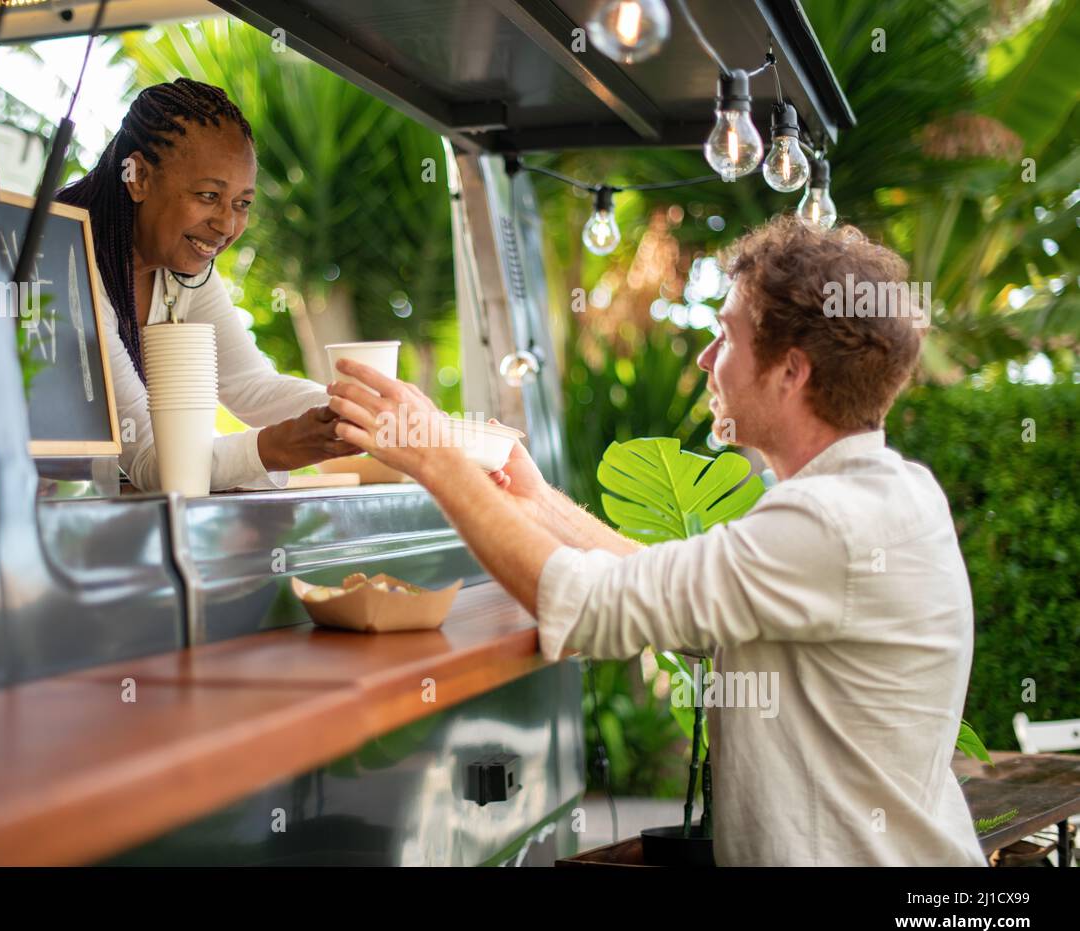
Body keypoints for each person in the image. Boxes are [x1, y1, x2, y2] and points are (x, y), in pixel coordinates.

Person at [326, 215, 986, 866]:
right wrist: (536, 501)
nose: (705, 359)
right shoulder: (886, 492)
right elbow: (676, 593)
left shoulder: (828, 523)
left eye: (725, 338)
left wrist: (435, 459)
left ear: (792, 372)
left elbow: (589, 608)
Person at [57, 78, 356, 490]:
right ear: (139, 177)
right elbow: (154, 460)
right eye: (208, 195)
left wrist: (357, 410)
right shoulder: (65, 264)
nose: (227, 225)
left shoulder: (182, 270)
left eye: (242, 203)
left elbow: (251, 386)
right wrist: (276, 448)